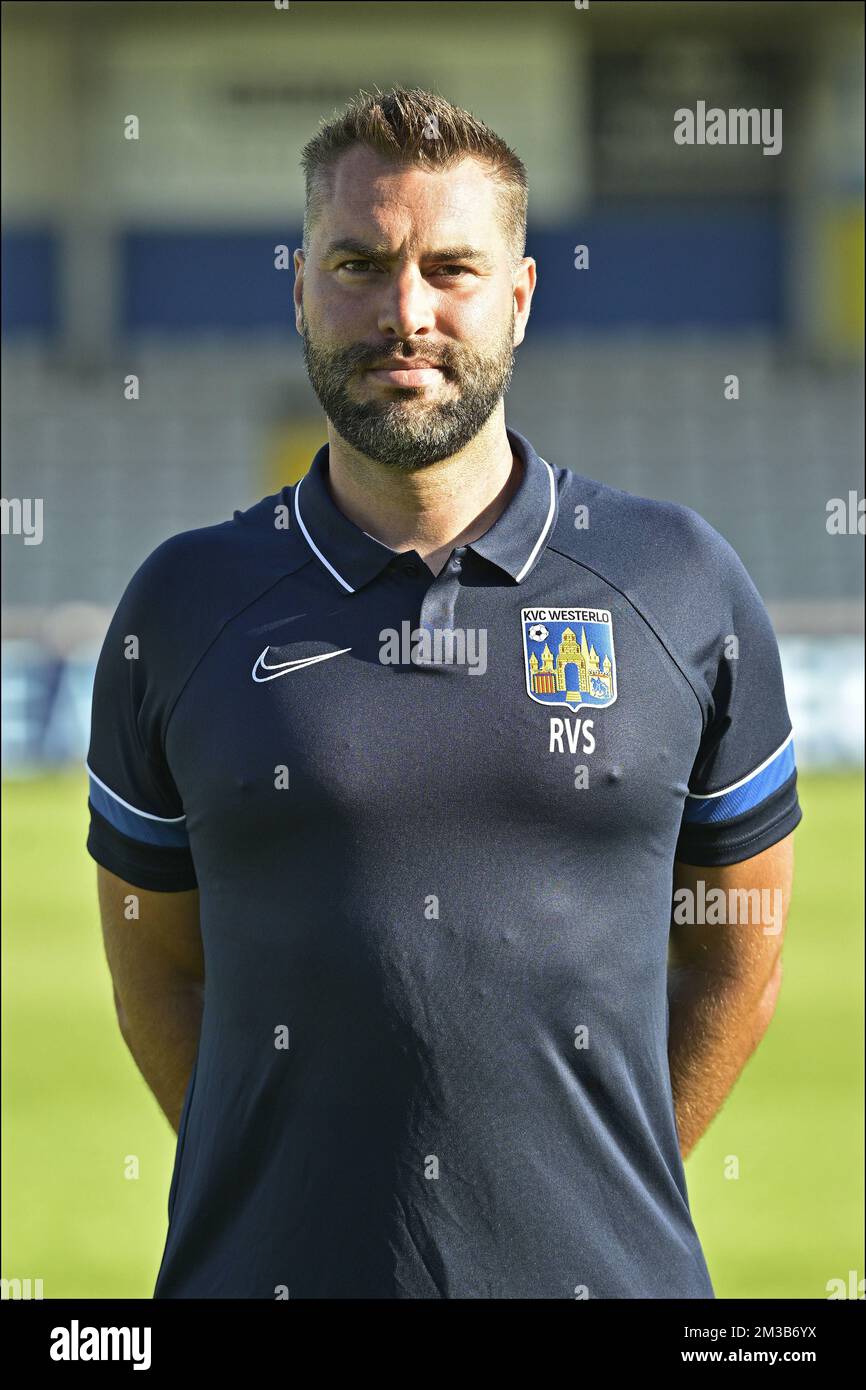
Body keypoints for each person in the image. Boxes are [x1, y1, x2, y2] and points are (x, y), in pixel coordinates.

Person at [87, 87, 801, 1299]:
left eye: (450, 268)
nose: (404, 313)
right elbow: (157, 970)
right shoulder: (185, 603)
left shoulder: (675, 580)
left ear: (517, 299)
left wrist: (591, 1187)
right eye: (358, 264)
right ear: (301, 290)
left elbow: (737, 957)